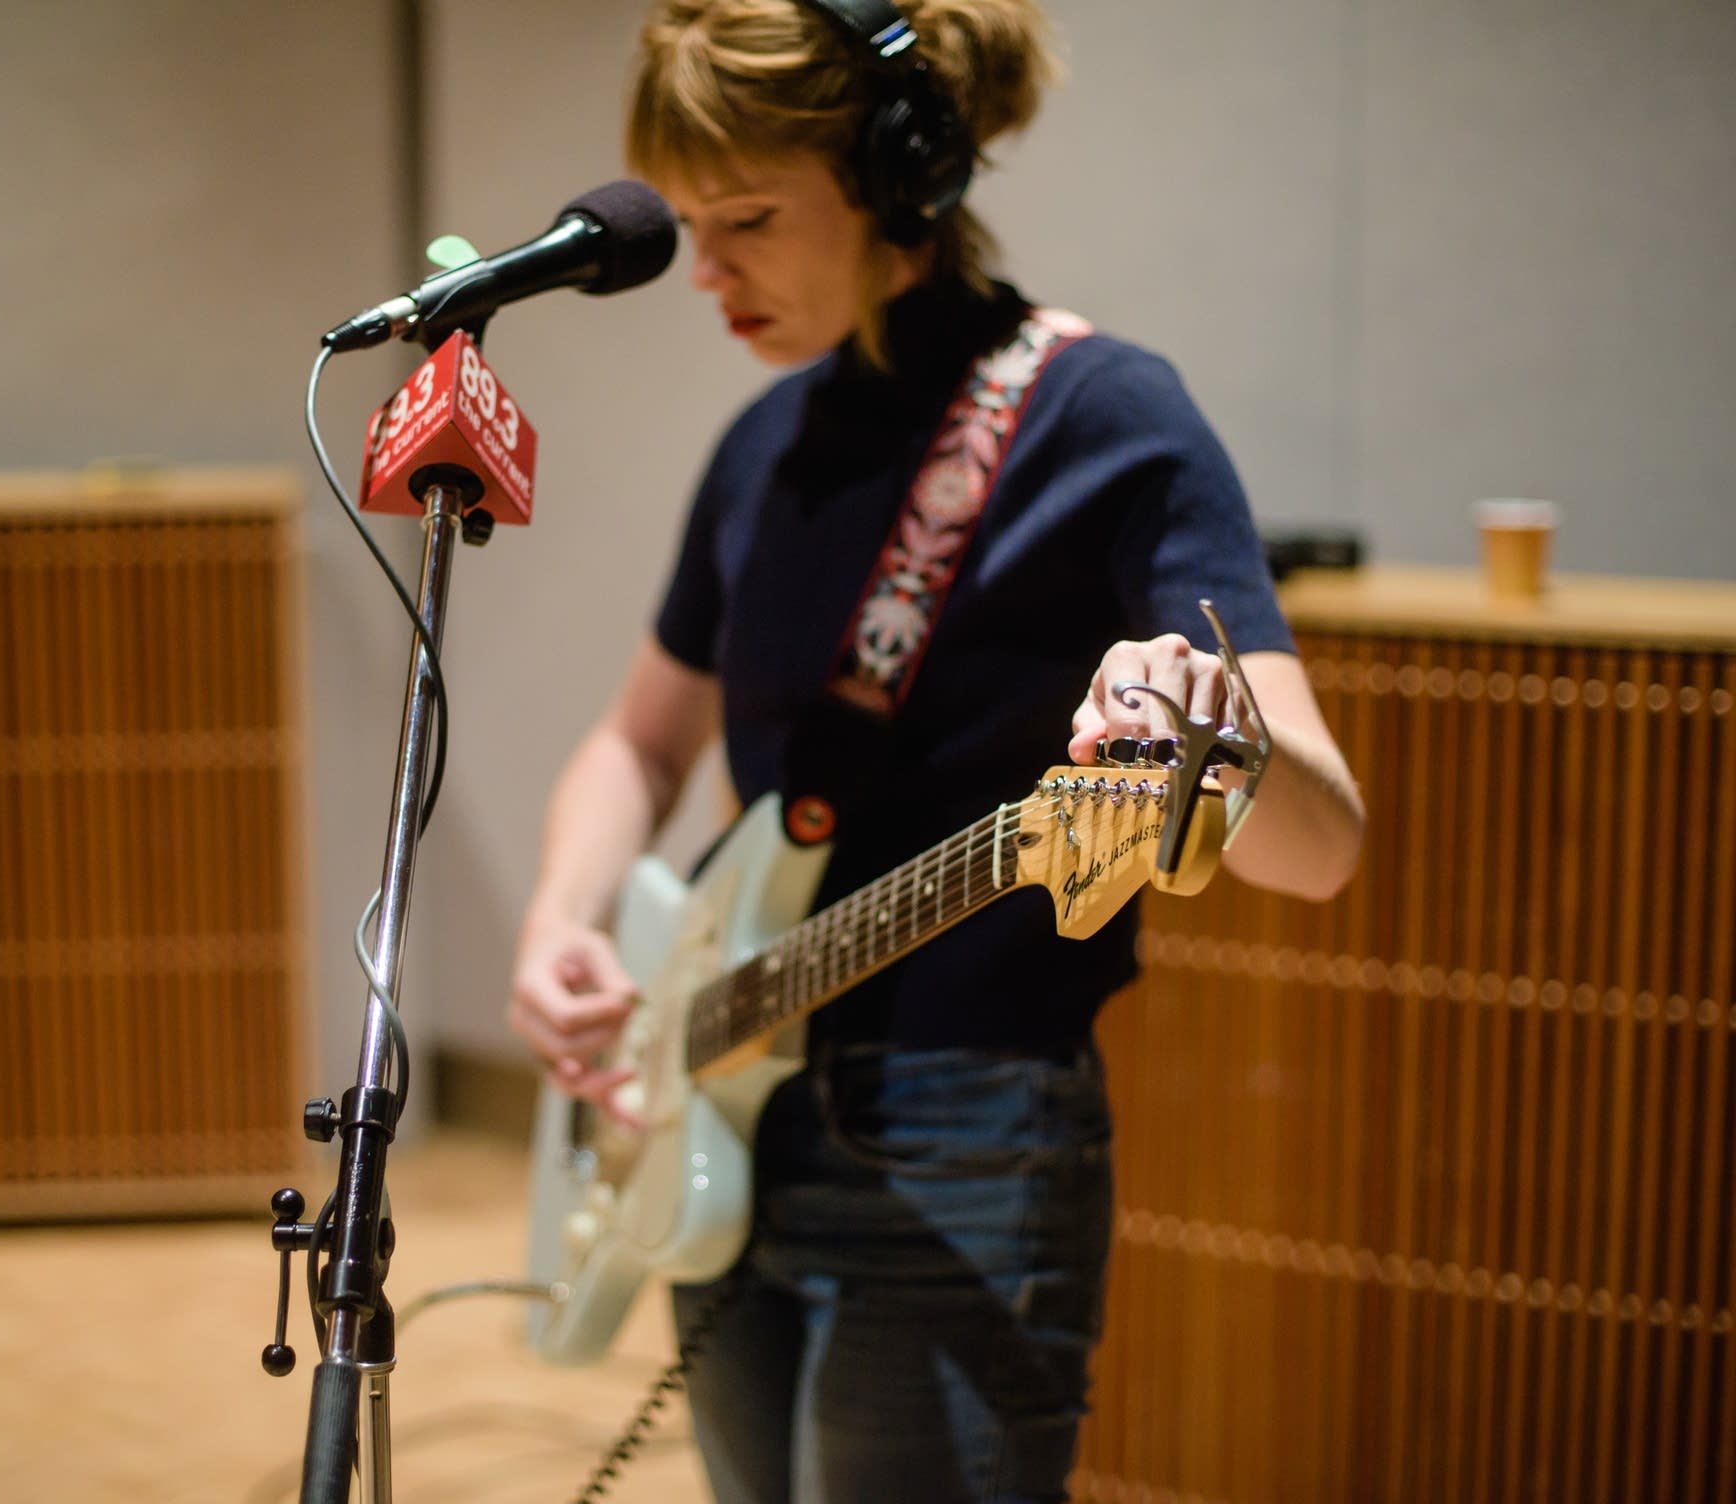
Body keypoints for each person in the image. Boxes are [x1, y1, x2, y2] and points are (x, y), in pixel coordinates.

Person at [507, 2, 1366, 1499]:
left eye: (751, 219)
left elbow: (1323, 845)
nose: (704, 270)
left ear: (903, 175)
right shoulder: (765, 446)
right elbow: (642, 744)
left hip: (964, 1136)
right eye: (692, 226)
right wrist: (563, 916)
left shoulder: (1108, 418)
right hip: (726, 1088)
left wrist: (1212, 736)